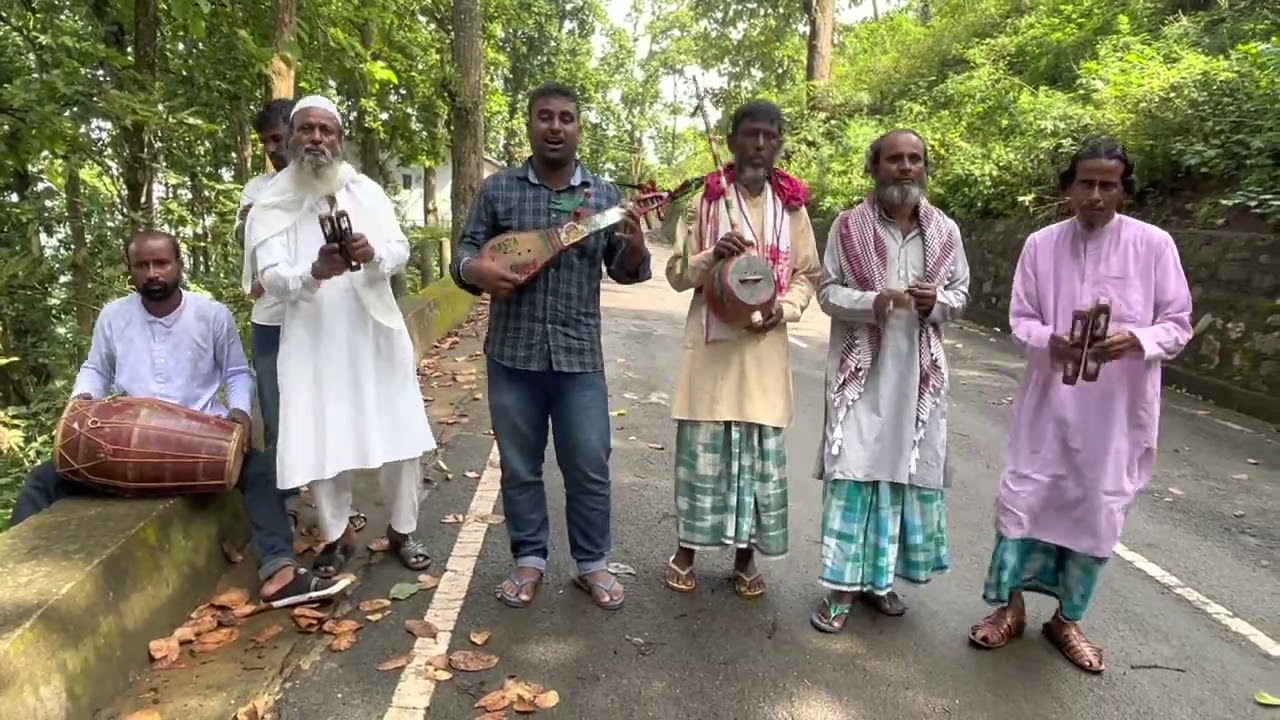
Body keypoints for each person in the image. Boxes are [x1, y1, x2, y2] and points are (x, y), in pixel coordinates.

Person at [7, 230, 349, 608]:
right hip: (130, 447)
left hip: (203, 442)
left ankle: (280, 572)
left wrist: (239, 414)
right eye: (143, 265)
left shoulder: (211, 314)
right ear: (131, 271)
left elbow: (236, 372)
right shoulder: (113, 316)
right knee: (44, 477)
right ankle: (12, 572)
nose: (153, 272)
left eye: (161, 263)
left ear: (178, 265)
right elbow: (95, 367)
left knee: (263, 469)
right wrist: (82, 402)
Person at [967, 137, 1192, 673]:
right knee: (1024, 501)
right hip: (1048, 407)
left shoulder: (1154, 245)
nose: (1095, 194)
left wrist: (1136, 339)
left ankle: (1067, 620)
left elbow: (1177, 324)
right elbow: (1020, 320)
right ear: (1068, 188)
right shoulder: (1041, 245)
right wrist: (1051, 340)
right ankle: (1010, 609)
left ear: (1123, 189)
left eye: (1107, 184)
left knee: (1097, 511)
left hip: (1114, 416)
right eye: (1085, 183)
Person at [450, 82, 650, 611]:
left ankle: (592, 563)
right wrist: (478, 271)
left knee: (588, 461)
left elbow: (625, 272)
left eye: (566, 117)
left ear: (578, 127)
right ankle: (528, 560)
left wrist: (634, 250)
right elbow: (465, 254)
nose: (556, 126)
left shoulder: (603, 198)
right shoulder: (499, 190)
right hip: (512, 354)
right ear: (529, 124)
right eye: (545, 117)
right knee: (519, 466)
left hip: (579, 356)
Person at [245, 95, 437, 579]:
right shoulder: (271, 202)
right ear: (291, 139)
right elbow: (267, 278)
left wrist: (372, 253)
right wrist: (312, 272)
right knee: (320, 437)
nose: (316, 138)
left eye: (326, 130)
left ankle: (402, 529)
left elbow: (399, 249)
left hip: (374, 329)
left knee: (401, 435)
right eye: (306, 129)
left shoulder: (365, 190)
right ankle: (336, 537)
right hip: (312, 336)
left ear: (339, 139)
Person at [809, 129, 970, 633]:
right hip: (861, 375)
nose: (905, 167)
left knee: (901, 474)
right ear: (874, 168)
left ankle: (879, 583)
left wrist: (936, 303)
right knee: (854, 472)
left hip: (917, 381)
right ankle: (840, 589)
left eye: (914, 159)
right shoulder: (848, 227)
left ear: (925, 168)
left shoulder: (945, 232)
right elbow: (827, 290)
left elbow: (960, 293)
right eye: (894, 159)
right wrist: (870, 302)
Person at [662, 99, 819, 598]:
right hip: (711, 354)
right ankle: (686, 551)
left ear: (779, 144)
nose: (760, 144)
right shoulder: (705, 201)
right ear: (731, 141)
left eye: (770, 136)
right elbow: (676, 274)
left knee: (756, 460)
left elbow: (807, 275)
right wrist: (711, 256)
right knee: (702, 459)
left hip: (764, 352)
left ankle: (745, 559)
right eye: (750, 134)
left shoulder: (792, 207)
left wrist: (787, 309)